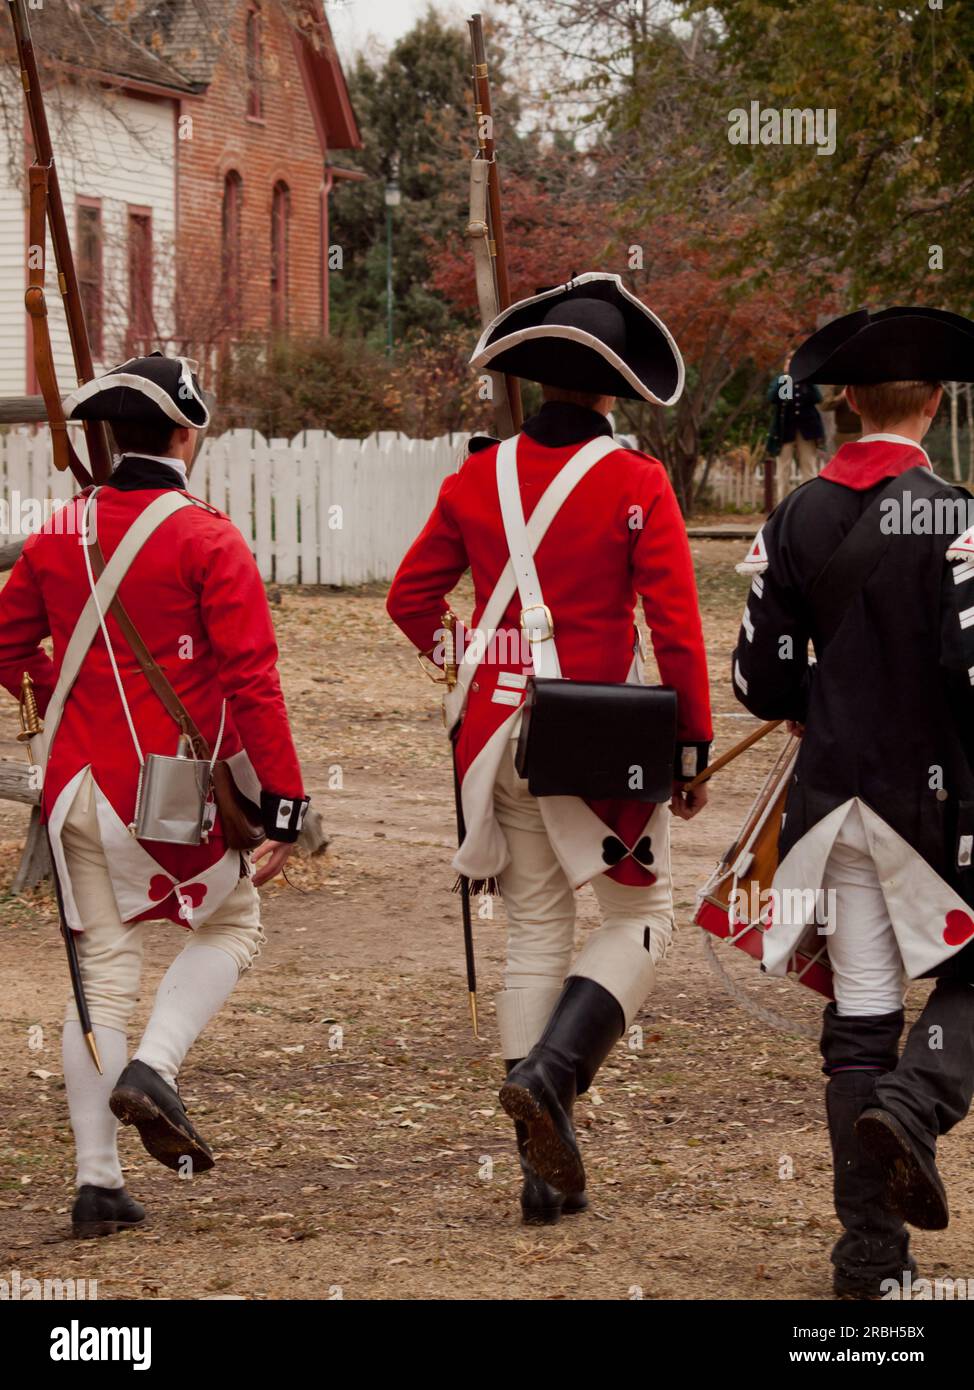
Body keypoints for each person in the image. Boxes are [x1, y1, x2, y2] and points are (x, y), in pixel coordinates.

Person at [387, 273, 712, 1223]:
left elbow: (411, 602)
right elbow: (678, 625)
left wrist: (473, 664)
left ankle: (538, 1171)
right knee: (641, 918)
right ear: (612, 390)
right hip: (602, 743)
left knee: (532, 928)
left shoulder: (475, 477)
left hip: (498, 739)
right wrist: (688, 748)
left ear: (536, 383)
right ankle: (553, 1075)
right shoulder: (636, 481)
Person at [0, 354, 309, 1238]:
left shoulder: (62, 530)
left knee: (99, 973)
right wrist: (285, 802)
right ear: (184, 434)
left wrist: (59, 686)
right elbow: (253, 682)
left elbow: (4, 644)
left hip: (72, 795)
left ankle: (97, 1184)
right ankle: (156, 1066)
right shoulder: (209, 537)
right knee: (234, 923)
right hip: (163, 793)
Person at [731, 307, 974, 1298]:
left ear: (844, 404)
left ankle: (869, 1261)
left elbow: (759, 676)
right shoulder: (957, 516)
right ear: (928, 403)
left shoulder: (793, 516)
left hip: (833, 802)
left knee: (863, 1015)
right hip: (932, 799)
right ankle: (915, 1106)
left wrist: (810, 701)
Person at [766, 353, 825, 498]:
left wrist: (807, 377)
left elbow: (818, 398)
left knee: (808, 467)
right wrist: (786, 378)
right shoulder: (782, 380)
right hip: (785, 430)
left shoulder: (807, 380)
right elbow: (776, 399)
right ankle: (782, 505)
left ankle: (809, 502)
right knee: (783, 469)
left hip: (807, 430)